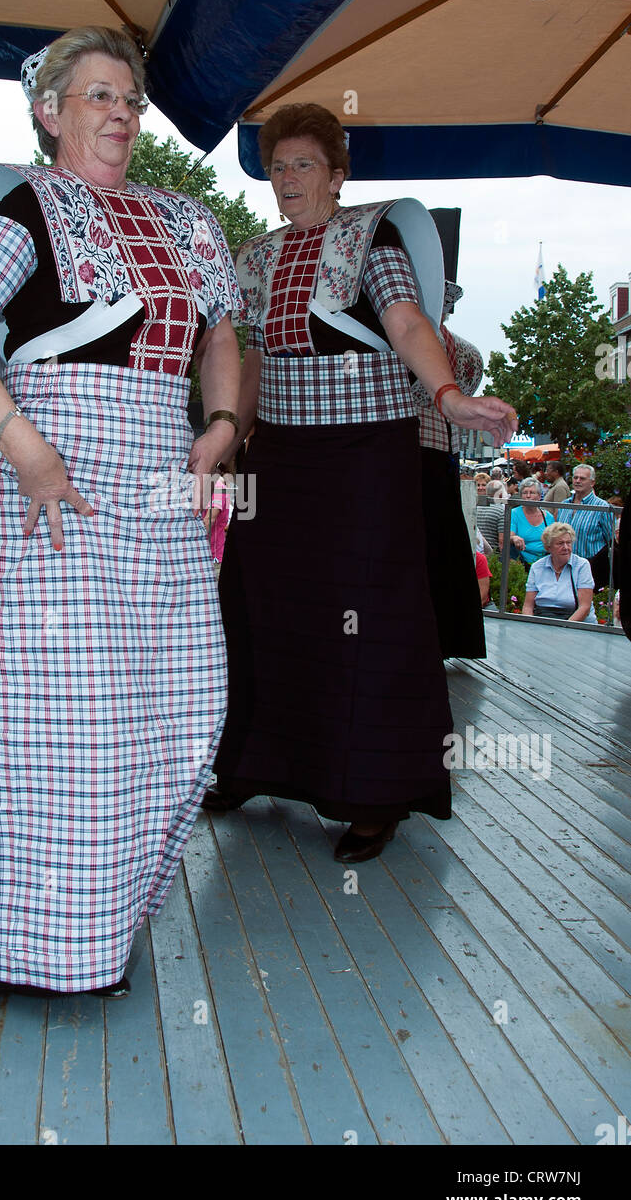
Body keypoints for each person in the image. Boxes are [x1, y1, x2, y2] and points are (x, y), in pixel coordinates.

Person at [0, 26, 242, 1000]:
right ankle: (1, 945)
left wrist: (218, 422)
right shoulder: (31, 203)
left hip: (157, 490)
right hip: (52, 487)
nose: (120, 113)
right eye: (97, 95)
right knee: (47, 723)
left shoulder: (188, 222)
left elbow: (221, 336)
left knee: (177, 706)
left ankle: (91, 929)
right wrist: (23, 447)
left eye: (130, 99)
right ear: (49, 112)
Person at [204, 102, 516, 862]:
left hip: (364, 459)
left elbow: (408, 322)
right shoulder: (252, 257)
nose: (287, 179)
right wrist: (227, 433)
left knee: (367, 617)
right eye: (277, 167)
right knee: (260, 606)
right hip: (278, 461)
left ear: (337, 177)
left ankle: (376, 795)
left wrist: (448, 397)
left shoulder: (368, 237)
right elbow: (254, 360)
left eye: (303, 165)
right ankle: (251, 763)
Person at [411, 280, 486, 657]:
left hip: (409, 453)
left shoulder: (410, 344)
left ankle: (415, 635)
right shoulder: (469, 355)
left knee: (414, 548)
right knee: (445, 548)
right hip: (444, 455)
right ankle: (449, 636)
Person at [556, 464, 615, 591]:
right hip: (564, 566)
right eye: (575, 477)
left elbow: (611, 540)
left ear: (592, 482)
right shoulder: (564, 505)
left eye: (582, 478)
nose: (577, 481)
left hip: (591, 568)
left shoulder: (602, 507)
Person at [522, 523, 595, 622]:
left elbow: (584, 607)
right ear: (548, 547)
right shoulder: (537, 567)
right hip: (543, 620)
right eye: (560, 543)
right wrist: (529, 627)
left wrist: (564, 629)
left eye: (568, 543)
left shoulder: (582, 565)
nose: (566, 547)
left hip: (574, 623)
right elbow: (528, 606)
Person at [509, 479, 554, 568]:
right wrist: (514, 538)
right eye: (525, 493)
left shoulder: (548, 517)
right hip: (521, 562)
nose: (528, 496)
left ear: (539, 496)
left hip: (545, 563)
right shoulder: (514, 513)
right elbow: (509, 537)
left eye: (532, 493)